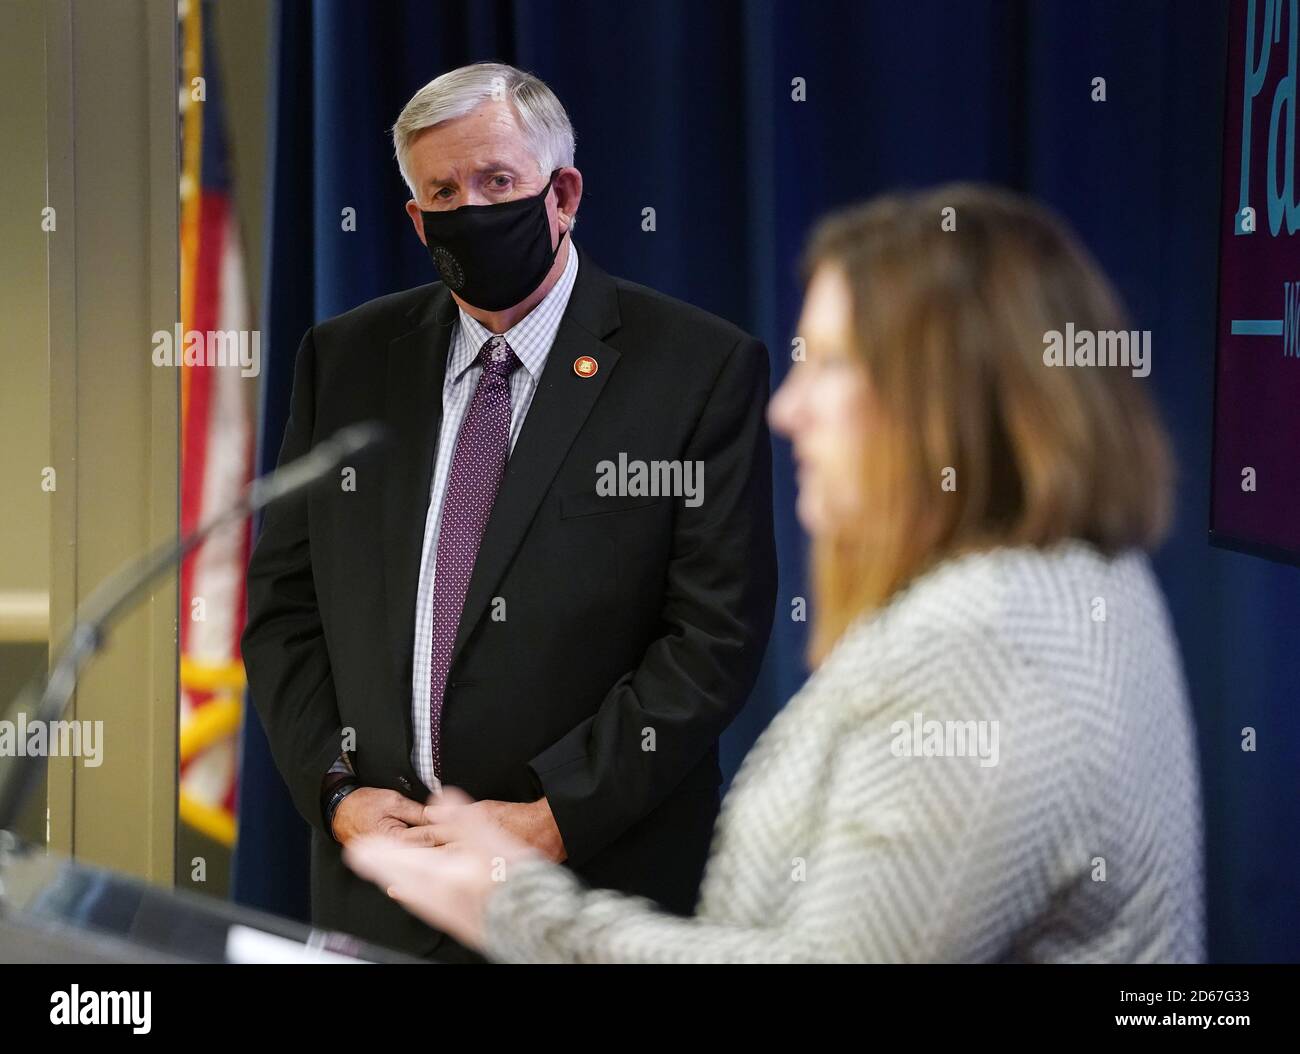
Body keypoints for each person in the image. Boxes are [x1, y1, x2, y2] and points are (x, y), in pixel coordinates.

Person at [345, 184, 1206, 963]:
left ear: (947, 403)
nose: (788, 410)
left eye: (830, 365)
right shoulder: (1086, 581)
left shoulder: (985, 646)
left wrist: (512, 905)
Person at [241, 62, 777, 961]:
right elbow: (285, 610)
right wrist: (335, 792)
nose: (470, 210)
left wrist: (552, 817)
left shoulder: (695, 369)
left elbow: (712, 637)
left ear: (562, 194)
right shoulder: (347, 361)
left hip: (592, 887)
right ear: (415, 221)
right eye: (441, 192)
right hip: (383, 882)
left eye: (496, 182)